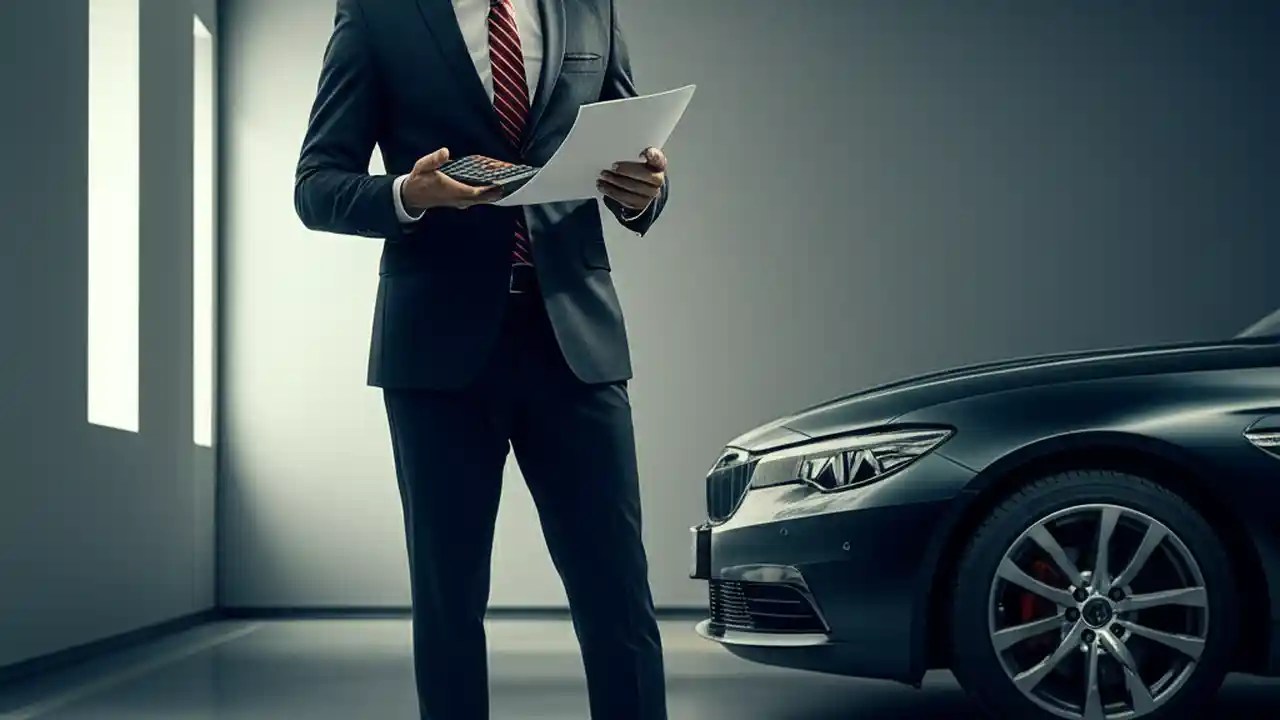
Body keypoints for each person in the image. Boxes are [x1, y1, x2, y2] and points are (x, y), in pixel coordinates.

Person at [293, 0, 670, 718]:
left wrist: (647, 189)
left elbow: (636, 160)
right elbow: (316, 185)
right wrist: (410, 194)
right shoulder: (378, 16)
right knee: (449, 605)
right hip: (436, 354)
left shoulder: (591, 8)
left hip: (575, 344)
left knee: (618, 595)